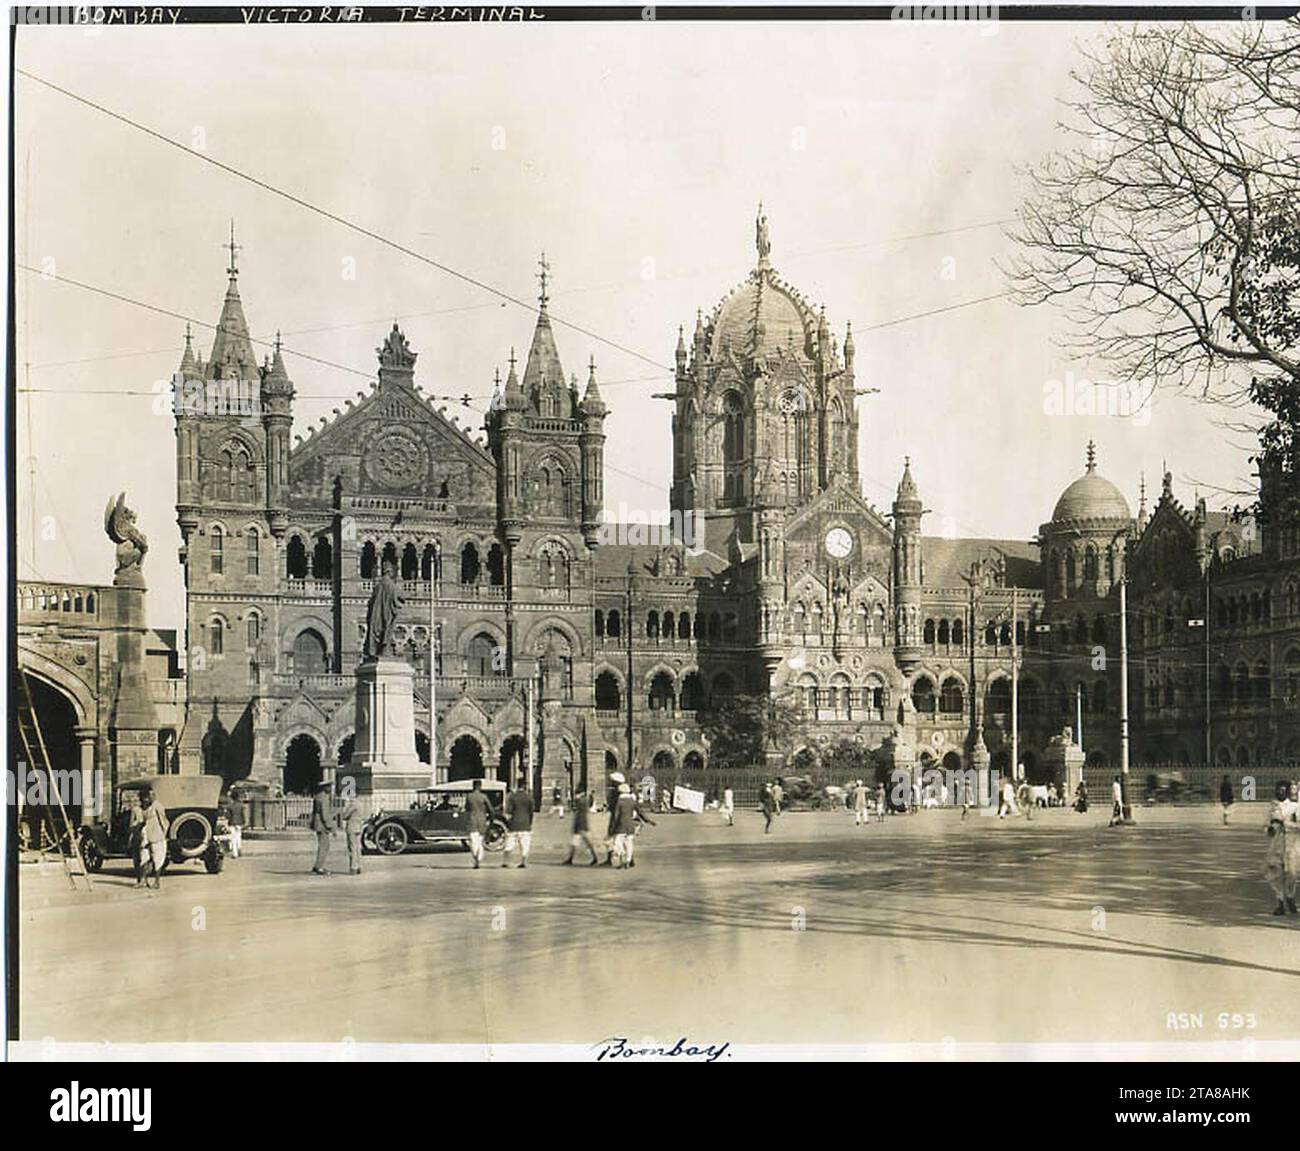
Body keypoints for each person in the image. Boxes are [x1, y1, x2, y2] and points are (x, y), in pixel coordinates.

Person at [1265, 780, 1300, 916]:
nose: (1280, 792)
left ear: (1287, 792)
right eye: (1278, 789)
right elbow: (1266, 826)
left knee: (1291, 873)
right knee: (1275, 874)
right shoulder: (1272, 807)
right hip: (1277, 844)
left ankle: (1290, 897)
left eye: (1283, 789)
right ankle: (1279, 902)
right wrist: (1270, 829)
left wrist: (1287, 825)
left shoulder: (1295, 807)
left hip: (1292, 844)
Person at [609, 782, 656, 868]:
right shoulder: (632, 801)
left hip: (621, 825)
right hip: (630, 825)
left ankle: (622, 857)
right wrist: (648, 821)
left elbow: (616, 815)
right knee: (629, 843)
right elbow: (640, 812)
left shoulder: (619, 801)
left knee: (617, 843)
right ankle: (627, 860)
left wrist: (612, 827)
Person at [138, 786, 168, 890]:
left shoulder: (157, 806)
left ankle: (156, 882)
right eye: (143, 798)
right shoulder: (144, 808)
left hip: (157, 837)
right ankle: (143, 880)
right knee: (144, 858)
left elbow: (164, 822)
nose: (145, 800)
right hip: (146, 837)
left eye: (147, 797)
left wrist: (163, 835)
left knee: (157, 860)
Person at [503, 777, 535, 868]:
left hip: (514, 824)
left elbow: (508, 811)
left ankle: (506, 861)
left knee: (510, 843)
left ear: (517, 785)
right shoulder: (529, 797)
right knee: (525, 844)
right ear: (525, 786)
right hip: (525, 824)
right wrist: (530, 823)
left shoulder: (512, 797)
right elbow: (531, 812)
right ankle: (523, 861)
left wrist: (509, 821)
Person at [562, 789, 599, 865]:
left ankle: (595, 858)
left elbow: (579, 815)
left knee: (586, 843)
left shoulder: (581, 802)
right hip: (582, 825)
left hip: (581, 826)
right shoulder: (583, 801)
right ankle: (571, 858)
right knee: (576, 843)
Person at [465, 778, 493, 869]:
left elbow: (466, 808)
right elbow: (491, 810)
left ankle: (475, 858)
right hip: (482, 821)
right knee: (480, 842)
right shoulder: (484, 797)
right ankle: (478, 859)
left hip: (472, 820)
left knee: (473, 842)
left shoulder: (469, 796)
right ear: (480, 786)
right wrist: (490, 819)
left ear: (473, 786)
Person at [601, 771, 626, 866]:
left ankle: (611, 860)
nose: (610, 782)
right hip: (619, 819)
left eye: (612, 781)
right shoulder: (620, 791)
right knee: (622, 840)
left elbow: (616, 808)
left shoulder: (617, 793)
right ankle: (628, 859)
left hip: (616, 819)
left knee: (610, 840)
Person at [310, 780, 334, 875]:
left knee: (323, 845)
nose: (330, 789)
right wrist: (330, 826)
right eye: (329, 787)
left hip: (317, 824)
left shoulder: (318, 796)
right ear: (325, 788)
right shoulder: (324, 798)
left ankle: (318, 866)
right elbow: (325, 814)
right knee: (324, 846)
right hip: (322, 825)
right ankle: (319, 867)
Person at [340, 788, 364, 875]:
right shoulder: (361, 804)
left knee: (352, 848)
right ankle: (359, 866)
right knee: (358, 848)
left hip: (352, 827)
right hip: (358, 826)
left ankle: (353, 867)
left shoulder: (353, 805)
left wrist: (346, 805)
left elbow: (345, 815)